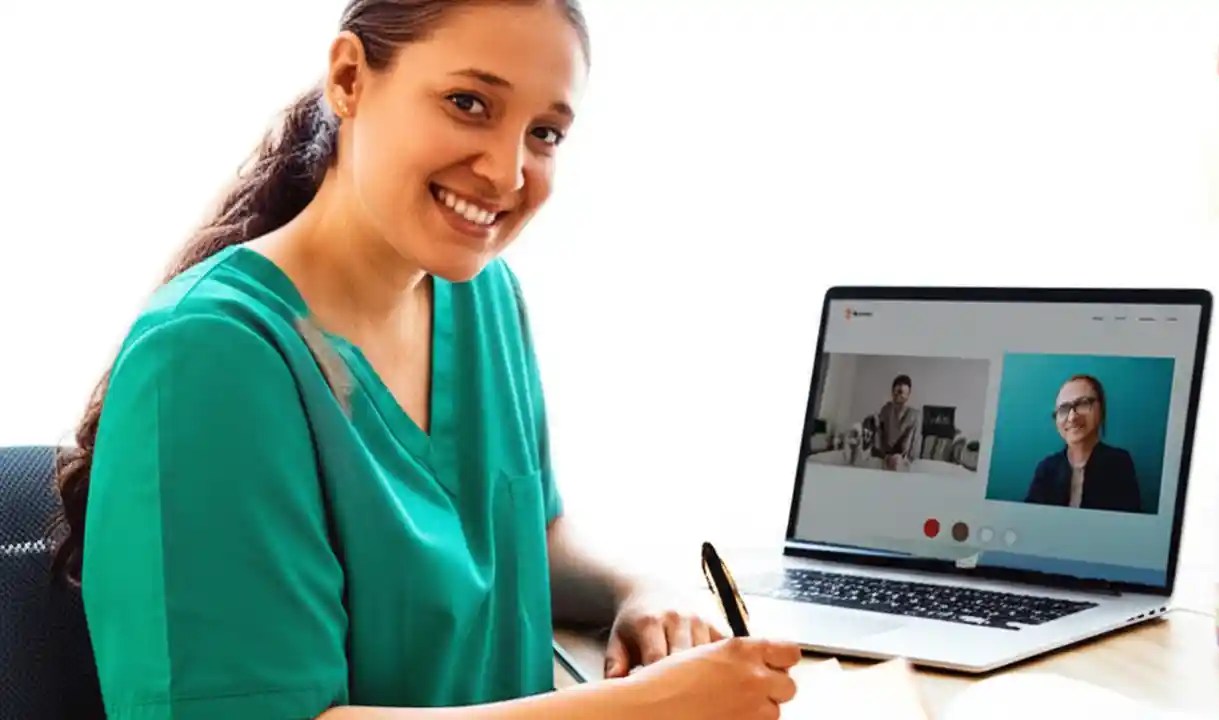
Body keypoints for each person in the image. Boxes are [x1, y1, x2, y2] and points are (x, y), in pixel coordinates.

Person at [48, 2, 801, 718]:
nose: (507, 172)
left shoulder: (483, 297)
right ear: (349, 79)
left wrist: (640, 589)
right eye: (469, 103)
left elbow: (524, 536)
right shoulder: (207, 363)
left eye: (544, 133)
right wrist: (643, 709)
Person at [1025, 374, 1142, 513]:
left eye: (1083, 404)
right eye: (1063, 409)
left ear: (1101, 410)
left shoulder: (1119, 463)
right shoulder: (1046, 468)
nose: (1072, 417)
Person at [875, 374, 920, 471]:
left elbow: (914, 444)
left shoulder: (914, 415)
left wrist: (905, 459)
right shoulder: (886, 410)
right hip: (885, 457)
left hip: (904, 460)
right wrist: (885, 456)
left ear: (908, 394)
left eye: (902, 393)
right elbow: (879, 436)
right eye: (896, 392)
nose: (899, 396)